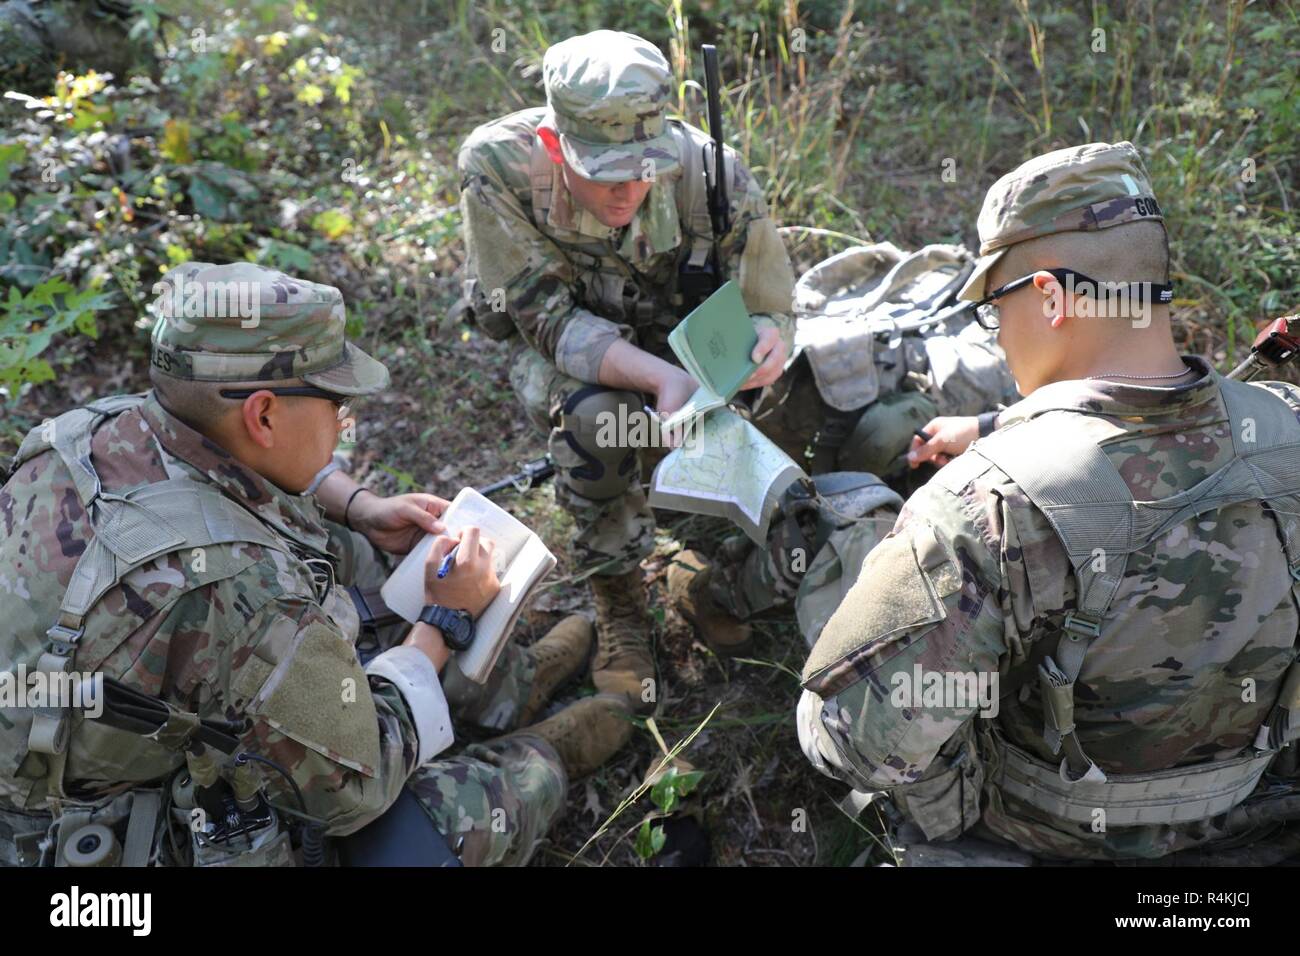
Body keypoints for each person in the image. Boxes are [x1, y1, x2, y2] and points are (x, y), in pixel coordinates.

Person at [0, 262, 632, 867]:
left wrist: (357, 506)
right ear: (264, 414)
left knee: (348, 551)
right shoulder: (238, 587)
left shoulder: (88, 429)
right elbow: (360, 783)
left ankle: (509, 690)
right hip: (100, 835)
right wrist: (444, 622)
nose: (343, 420)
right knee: (467, 812)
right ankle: (541, 755)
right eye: (336, 403)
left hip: (84, 718)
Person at [797, 141, 1300, 864]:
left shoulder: (987, 506)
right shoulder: (1284, 429)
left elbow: (856, 748)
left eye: (993, 308)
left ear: (1050, 297)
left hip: (1044, 835)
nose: (996, 335)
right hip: (1253, 823)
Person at [457, 29, 798, 705]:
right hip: (570, 353)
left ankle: (698, 557)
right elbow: (543, 317)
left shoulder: (711, 171)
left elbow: (769, 303)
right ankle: (618, 599)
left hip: (680, 349)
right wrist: (658, 380)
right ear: (555, 147)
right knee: (600, 419)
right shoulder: (496, 166)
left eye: (643, 169)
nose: (626, 192)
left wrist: (766, 339)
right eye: (602, 171)